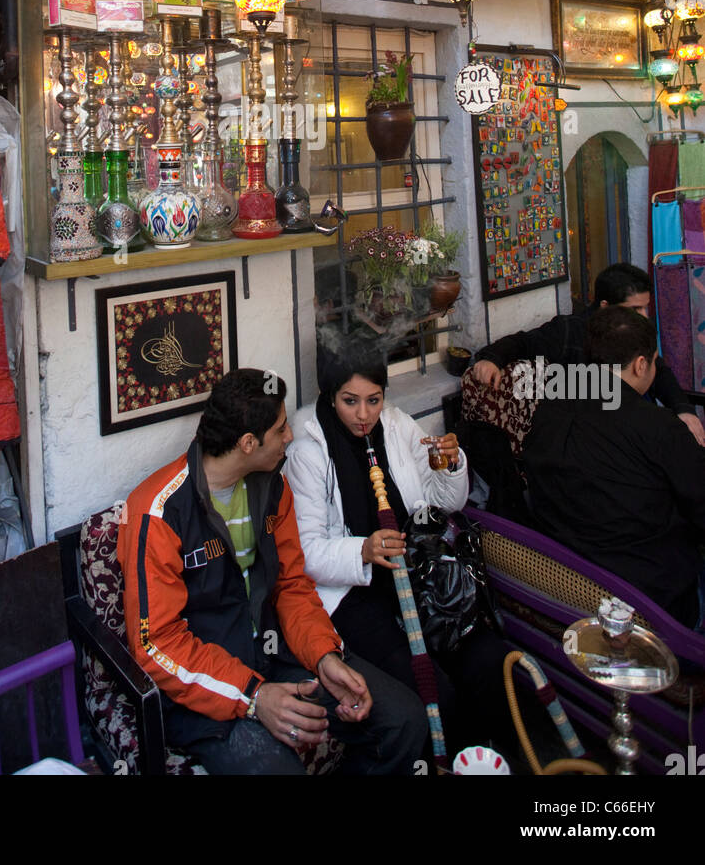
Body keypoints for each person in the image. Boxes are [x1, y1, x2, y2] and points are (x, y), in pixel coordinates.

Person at [117, 367, 428, 775]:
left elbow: (292, 587)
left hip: (276, 655)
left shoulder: (272, 489)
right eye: (281, 430)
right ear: (248, 443)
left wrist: (324, 657)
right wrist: (253, 695)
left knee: (403, 720)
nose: (291, 437)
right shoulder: (156, 512)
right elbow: (156, 643)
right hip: (207, 687)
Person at [284, 346, 515, 758]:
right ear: (329, 395)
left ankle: (481, 761)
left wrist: (451, 465)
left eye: (373, 400)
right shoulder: (307, 453)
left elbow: (445, 505)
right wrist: (364, 550)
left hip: (417, 576)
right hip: (356, 596)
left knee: (489, 662)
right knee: (433, 689)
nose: (363, 415)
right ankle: (442, 762)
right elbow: (307, 553)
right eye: (350, 401)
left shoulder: (397, 427)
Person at [521, 307, 705, 628]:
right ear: (640, 365)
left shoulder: (550, 407)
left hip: (566, 584)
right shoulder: (658, 427)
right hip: (649, 605)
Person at [470, 261, 705, 446]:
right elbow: (522, 342)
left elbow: (659, 371)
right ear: (605, 306)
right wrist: (491, 359)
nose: (643, 315)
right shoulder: (569, 332)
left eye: (645, 307)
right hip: (598, 440)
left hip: (642, 427)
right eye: (635, 309)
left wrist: (683, 410)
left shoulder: (637, 335)